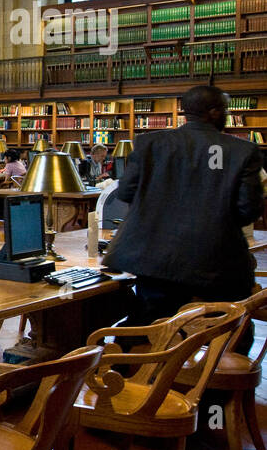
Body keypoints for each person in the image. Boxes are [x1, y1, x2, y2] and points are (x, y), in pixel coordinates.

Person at [105, 85, 262, 336]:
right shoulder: (242, 151)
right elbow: (248, 210)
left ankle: (142, 369)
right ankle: (215, 369)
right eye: (225, 110)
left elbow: (125, 194)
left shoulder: (149, 144)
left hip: (155, 261)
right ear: (214, 112)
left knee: (152, 327)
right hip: (217, 263)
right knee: (231, 332)